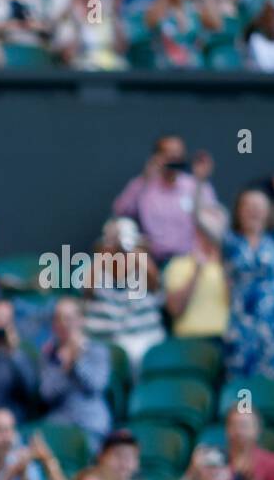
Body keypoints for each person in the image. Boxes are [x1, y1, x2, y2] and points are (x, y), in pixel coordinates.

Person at [195, 157, 274, 383]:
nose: (254, 212)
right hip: (243, 325)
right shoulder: (230, 242)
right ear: (239, 210)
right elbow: (199, 217)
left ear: (268, 211)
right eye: (248, 207)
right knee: (243, 386)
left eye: (259, 207)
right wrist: (199, 182)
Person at [112, 135, 219, 265]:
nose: (174, 158)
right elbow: (120, 210)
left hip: (188, 262)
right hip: (153, 260)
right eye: (168, 154)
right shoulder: (145, 185)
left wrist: (201, 180)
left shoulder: (194, 185)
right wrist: (144, 179)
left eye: (178, 154)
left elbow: (214, 223)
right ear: (157, 157)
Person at [80, 216, 165, 378]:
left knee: (136, 355)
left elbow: (156, 286)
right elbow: (87, 290)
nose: (121, 255)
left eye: (124, 251)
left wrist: (138, 255)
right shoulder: (95, 270)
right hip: (103, 340)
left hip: (143, 339)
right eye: (116, 250)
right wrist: (103, 256)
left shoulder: (145, 271)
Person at [38, 297, 111, 451]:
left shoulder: (97, 350)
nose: (63, 324)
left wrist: (77, 363)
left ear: (80, 320)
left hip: (90, 424)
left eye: (68, 318)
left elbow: (96, 385)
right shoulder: (48, 354)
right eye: (58, 319)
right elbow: (47, 394)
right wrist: (64, 368)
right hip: (60, 423)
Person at [162, 206, 229, 338]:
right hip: (188, 340)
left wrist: (225, 263)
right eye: (204, 230)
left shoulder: (232, 265)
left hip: (226, 339)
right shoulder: (178, 264)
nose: (209, 236)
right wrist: (197, 271)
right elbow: (175, 309)